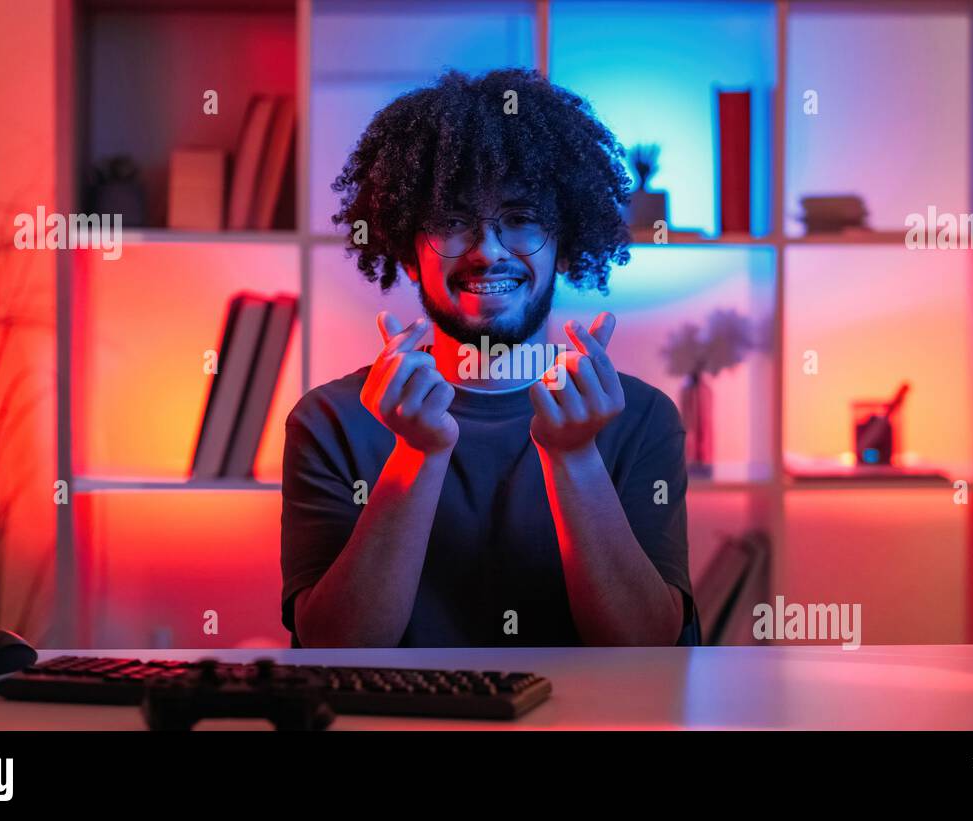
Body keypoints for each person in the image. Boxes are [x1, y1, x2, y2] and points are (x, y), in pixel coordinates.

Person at [281, 67, 693, 647]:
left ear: (566, 240)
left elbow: (648, 649)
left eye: (521, 220)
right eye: (452, 222)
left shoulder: (641, 417)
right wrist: (417, 455)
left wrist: (574, 458)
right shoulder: (330, 420)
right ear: (405, 249)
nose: (488, 252)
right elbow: (334, 650)